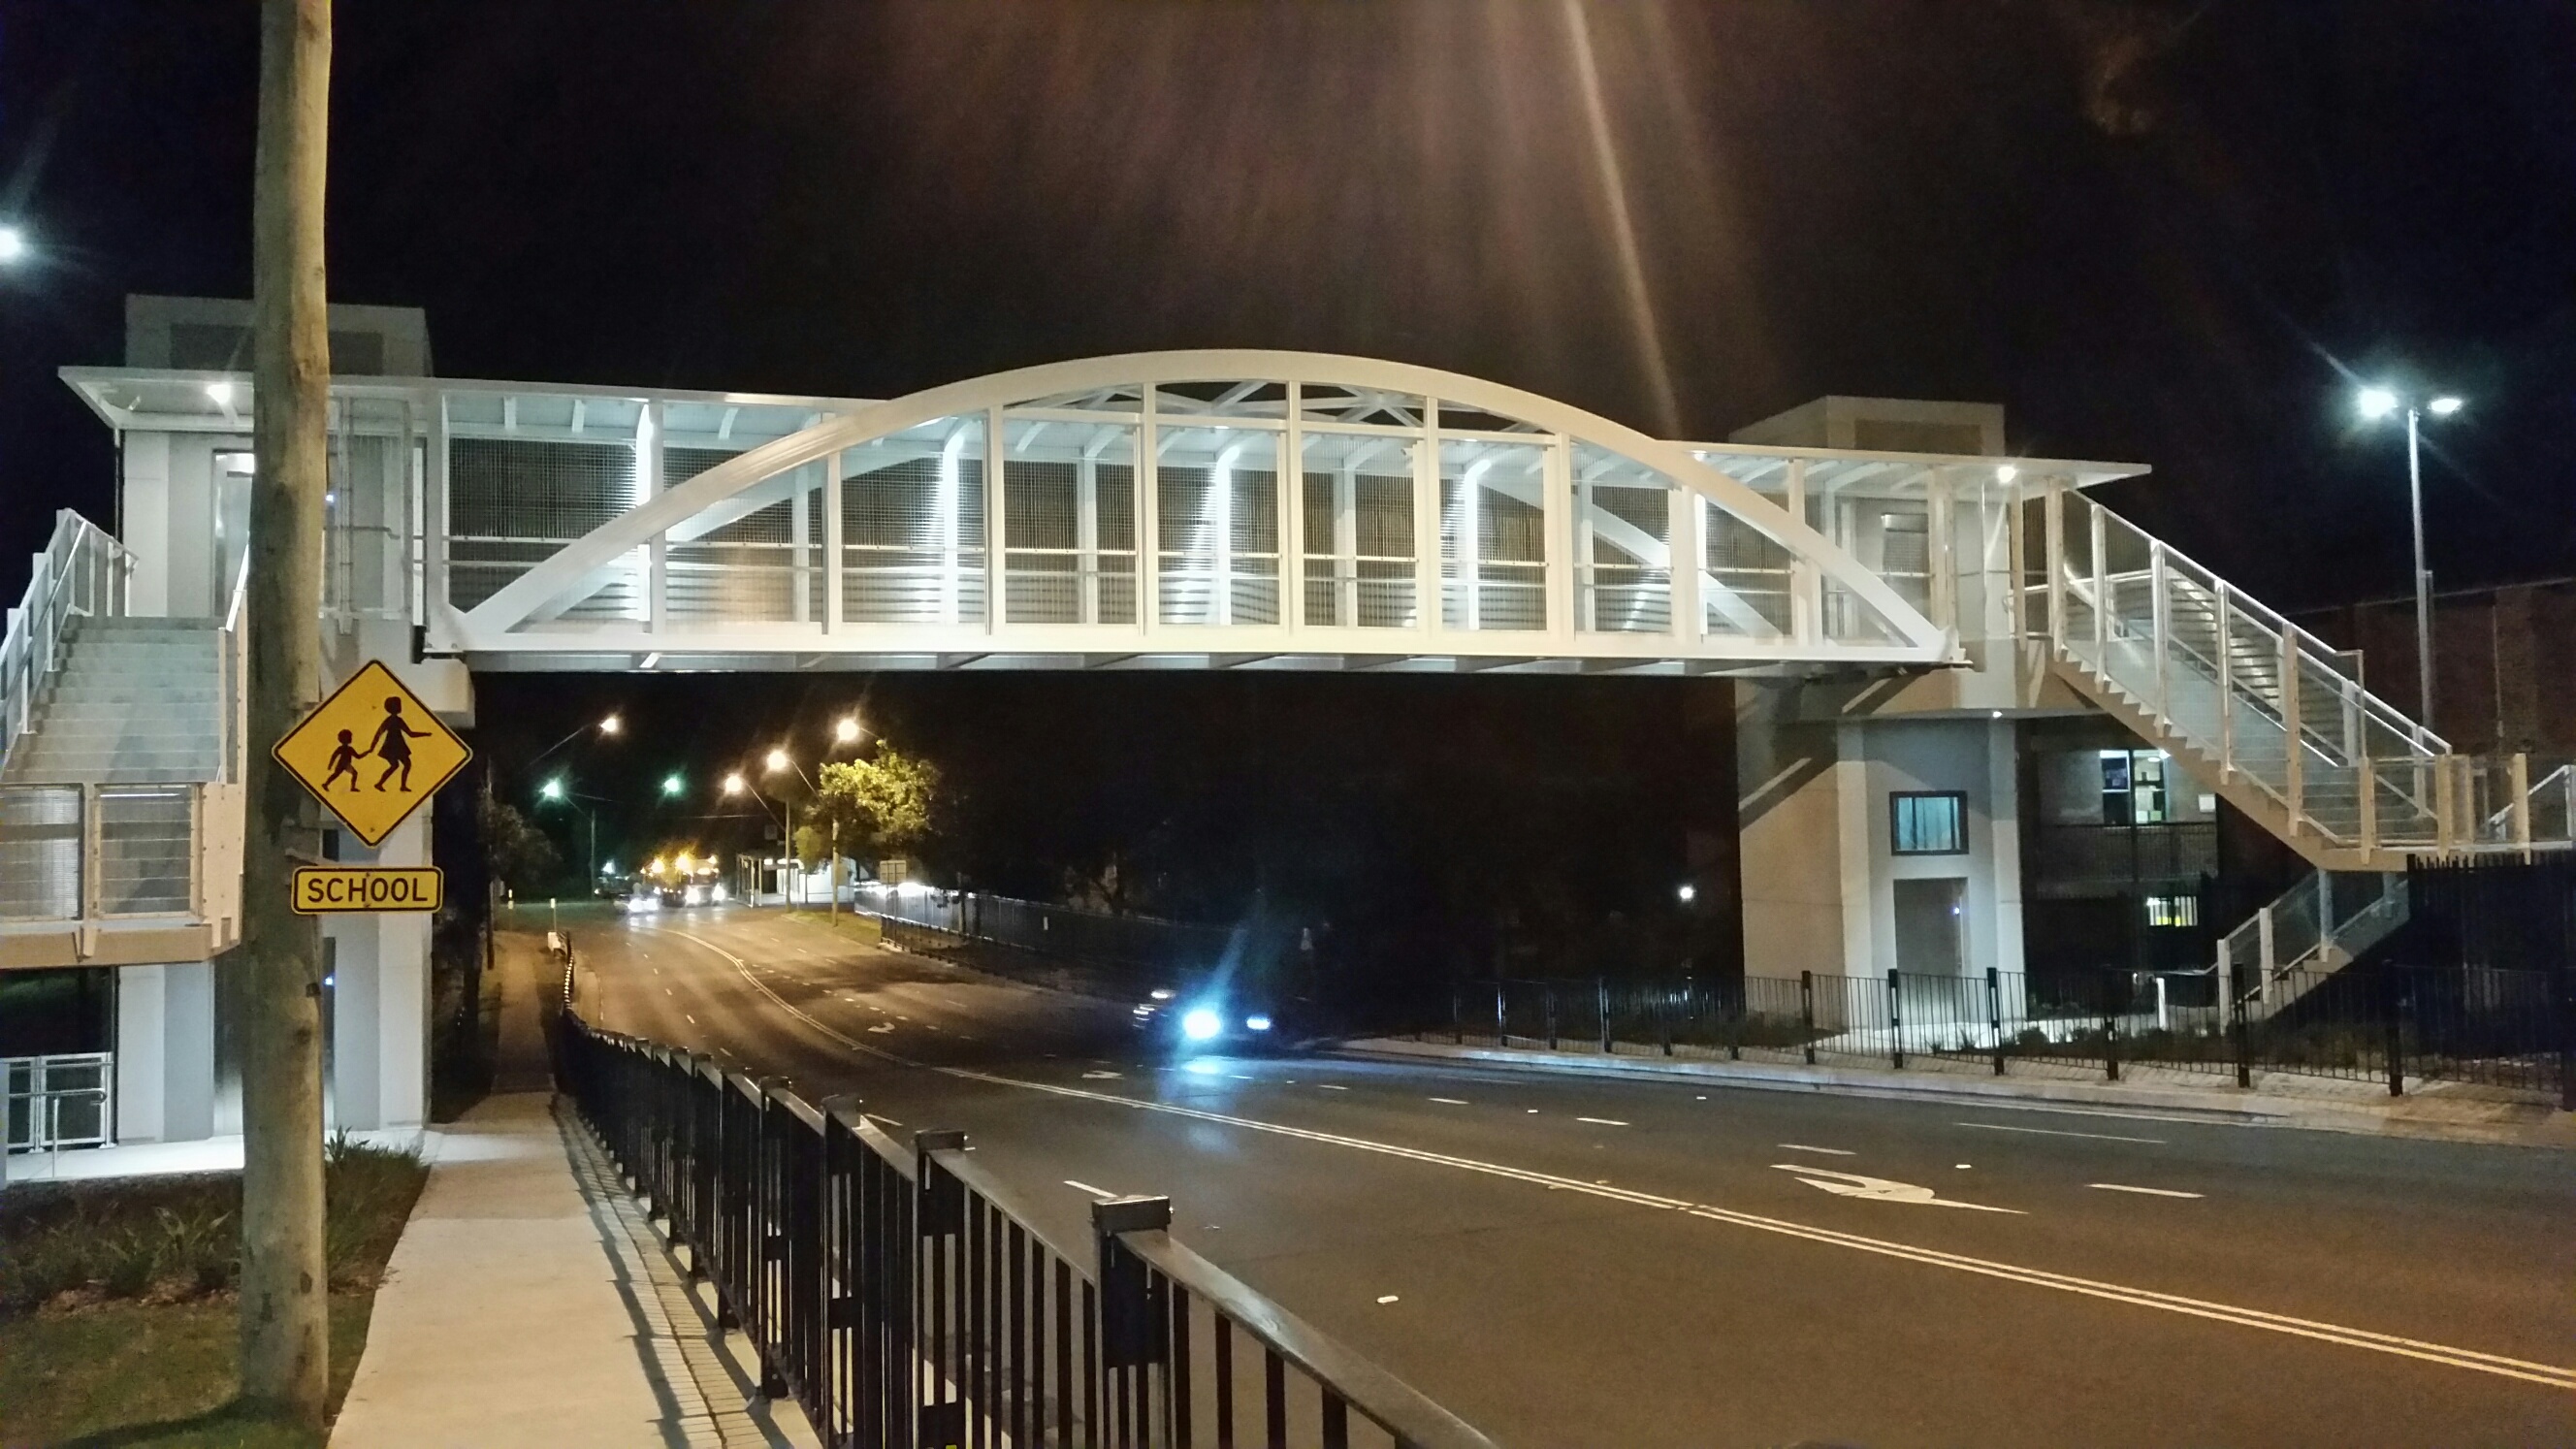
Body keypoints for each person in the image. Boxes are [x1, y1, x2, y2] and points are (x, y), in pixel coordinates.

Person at [369, 696, 432, 791]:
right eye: (398, 705)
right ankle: (381, 784)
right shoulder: (392, 720)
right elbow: (379, 733)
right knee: (398, 765)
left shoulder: (396, 720)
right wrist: (372, 747)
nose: (400, 707)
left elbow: (410, 734)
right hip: (392, 746)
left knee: (403, 764)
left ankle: (400, 786)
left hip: (398, 746)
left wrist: (425, 734)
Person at [320, 728, 367, 792]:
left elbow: (358, 756)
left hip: (345, 764)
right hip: (343, 764)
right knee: (336, 774)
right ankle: (326, 784)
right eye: (350, 737)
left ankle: (352, 788)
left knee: (350, 773)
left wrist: (366, 752)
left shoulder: (349, 749)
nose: (351, 738)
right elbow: (334, 756)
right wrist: (330, 765)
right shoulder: (344, 748)